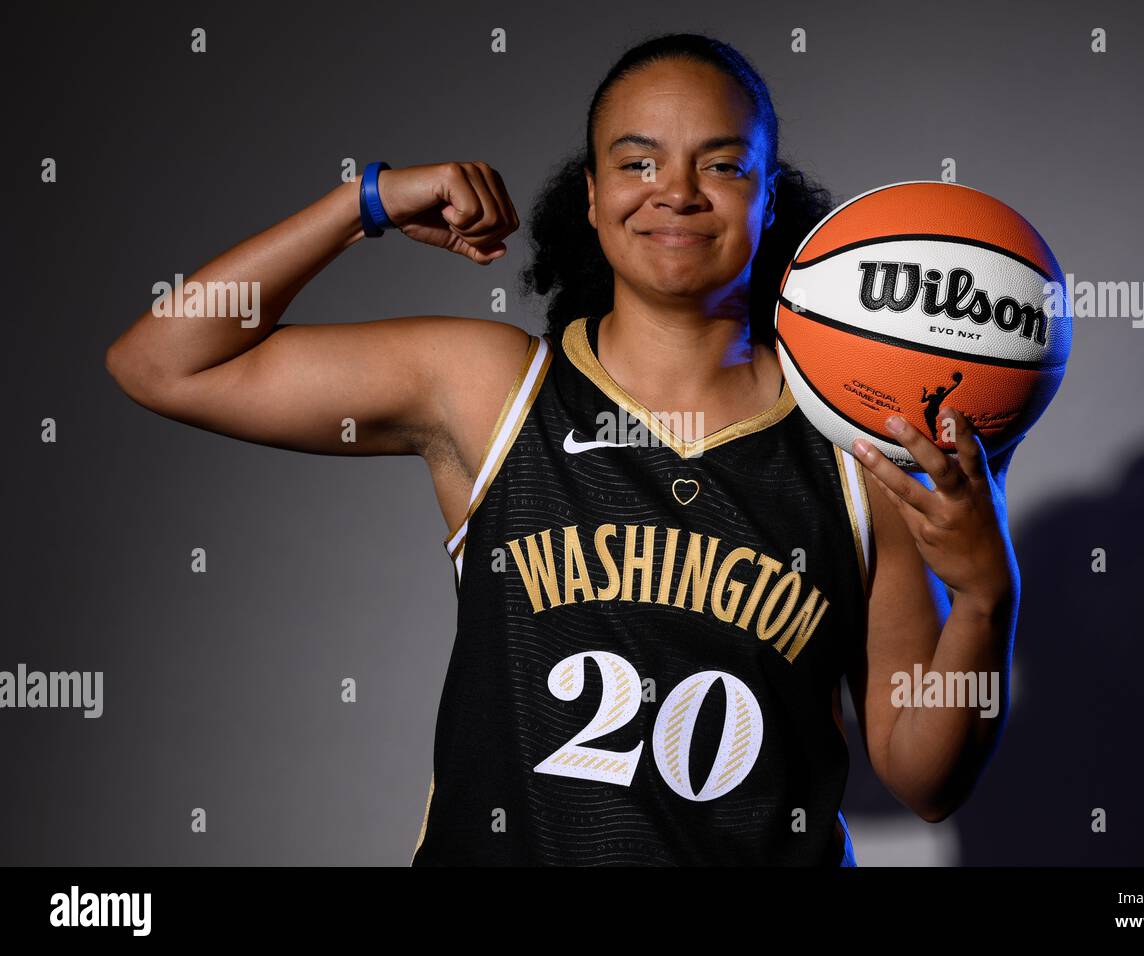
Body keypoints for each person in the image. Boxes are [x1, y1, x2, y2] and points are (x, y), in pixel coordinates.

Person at [105, 32, 1020, 866]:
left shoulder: (855, 450)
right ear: (591, 194)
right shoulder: (494, 389)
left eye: (725, 164)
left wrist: (984, 597)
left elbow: (923, 778)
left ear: (770, 194)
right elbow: (163, 363)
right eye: (637, 160)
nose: (677, 191)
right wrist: (366, 201)